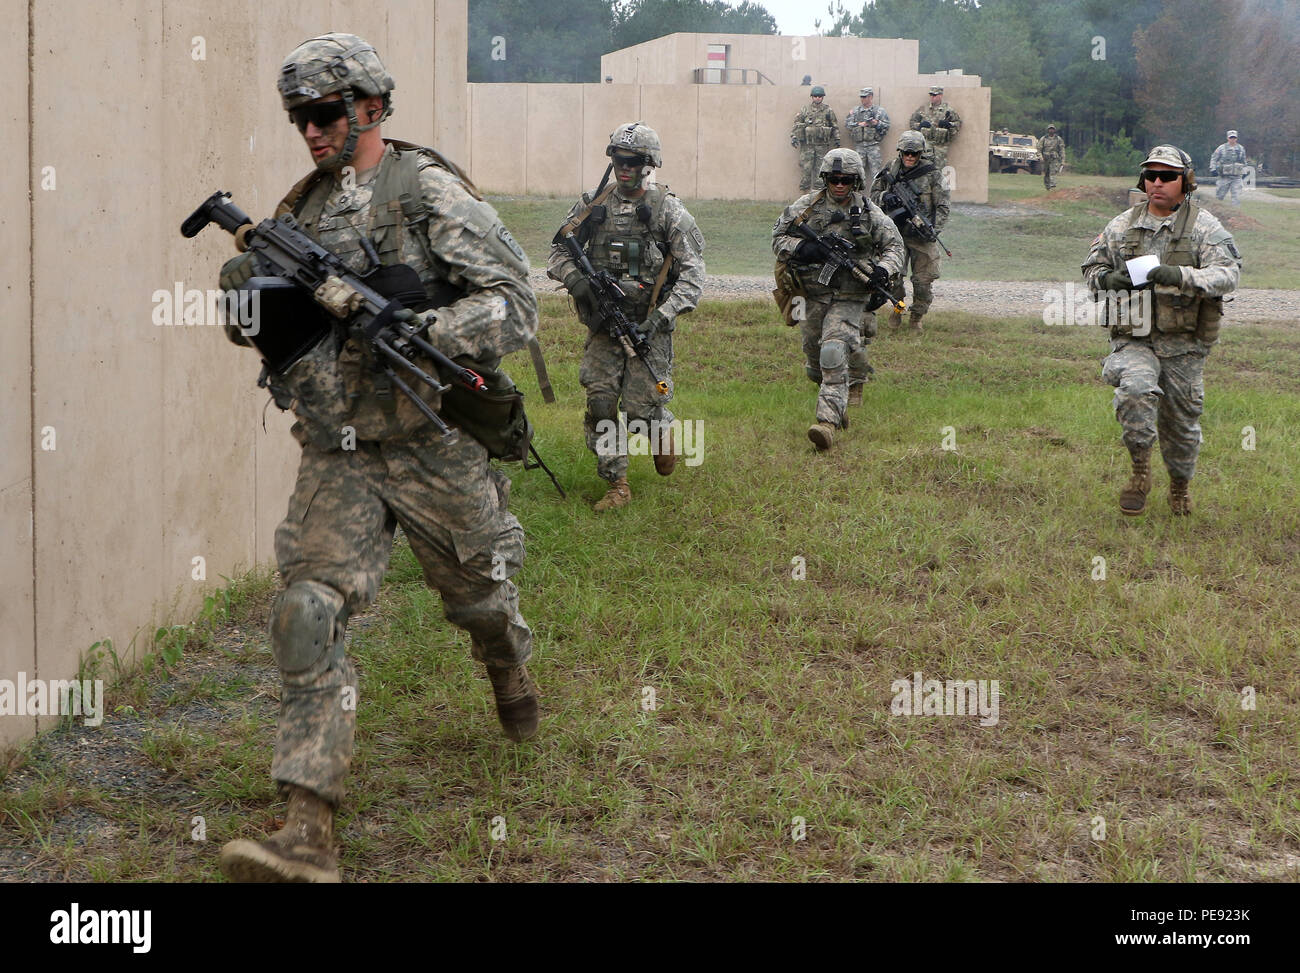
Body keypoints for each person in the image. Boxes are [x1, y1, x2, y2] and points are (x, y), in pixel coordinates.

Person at [214, 32, 540, 882]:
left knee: (479, 601)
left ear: (370, 106)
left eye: (324, 114)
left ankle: (505, 665)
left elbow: (515, 303)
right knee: (306, 610)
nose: (312, 133)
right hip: (340, 450)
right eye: (299, 119)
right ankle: (306, 827)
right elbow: (273, 326)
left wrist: (424, 326)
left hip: (434, 439)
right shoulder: (299, 216)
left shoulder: (425, 191)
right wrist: (255, 308)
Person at [547, 122, 705, 511]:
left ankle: (659, 428)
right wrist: (577, 283)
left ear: (649, 164)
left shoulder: (668, 209)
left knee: (639, 411)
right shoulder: (592, 205)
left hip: (647, 327)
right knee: (600, 403)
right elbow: (558, 251)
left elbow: (694, 276)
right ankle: (617, 483)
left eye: (633, 161)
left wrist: (661, 318)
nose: (624, 168)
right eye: (618, 159)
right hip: (603, 323)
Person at [1082, 145, 1241, 516]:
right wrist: (1109, 279)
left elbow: (1229, 274)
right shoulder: (1121, 225)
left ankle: (1180, 488)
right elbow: (1091, 270)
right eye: (1151, 176)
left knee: (1182, 426)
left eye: (1167, 176)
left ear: (1185, 182)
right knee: (1135, 390)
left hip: (1184, 345)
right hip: (1133, 338)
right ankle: (1140, 471)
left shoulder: (1204, 227)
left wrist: (1182, 276)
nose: (1157, 183)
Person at [773, 148, 904, 451]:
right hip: (812, 294)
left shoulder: (870, 213)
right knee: (814, 362)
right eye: (834, 179)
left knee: (832, 351)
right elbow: (778, 237)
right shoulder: (806, 208)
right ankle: (847, 384)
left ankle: (826, 424)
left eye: (846, 179)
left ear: (856, 181)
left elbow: (894, 246)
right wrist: (806, 249)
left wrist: (884, 270)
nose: (840, 184)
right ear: (825, 178)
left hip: (850, 294)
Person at [871, 130, 949, 334]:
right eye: (907, 152)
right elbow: (873, 196)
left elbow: (943, 207)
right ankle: (898, 308)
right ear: (900, 152)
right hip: (894, 234)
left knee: (923, 282)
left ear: (921, 153)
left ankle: (916, 317)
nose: (910, 157)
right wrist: (886, 197)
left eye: (914, 153)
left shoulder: (932, 174)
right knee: (893, 278)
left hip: (922, 236)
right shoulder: (890, 169)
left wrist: (934, 230)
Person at [791, 86, 841, 192]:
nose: (817, 98)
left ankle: (818, 196)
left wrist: (837, 138)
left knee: (821, 170)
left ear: (822, 97)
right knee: (806, 170)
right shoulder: (805, 109)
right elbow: (797, 124)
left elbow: (834, 125)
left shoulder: (828, 110)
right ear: (812, 97)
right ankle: (804, 196)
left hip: (822, 146)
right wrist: (794, 137)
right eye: (815, 96)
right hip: (807, 146)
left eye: (820, 96)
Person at [908, 85, 961, 172]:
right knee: (923, 171)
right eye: (931, 95)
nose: (932, 97)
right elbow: (912, 122)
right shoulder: (923, 109)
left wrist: (948, 124)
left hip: (940, 148)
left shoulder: (948, 110)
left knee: (938, 173)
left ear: (940, 95)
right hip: (925, 146)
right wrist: (920, 125)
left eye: (934, 95)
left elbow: (958, 124)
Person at [845, 86, 890, 181]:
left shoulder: (879, 111)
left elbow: (886, 125)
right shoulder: (855, 111)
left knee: (876, 174)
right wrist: (859, 124)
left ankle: (876, 194)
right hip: (859, 146)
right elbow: (847, 124)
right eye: (861, 97)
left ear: (870, 97)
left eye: (865, 97)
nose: (862, 99)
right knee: (856, 172)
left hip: (873, 146)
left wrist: (876, 123)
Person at [1209, 130, 1248, 206]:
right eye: (1231, 137)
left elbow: (1244, 161)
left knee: (1236, 198)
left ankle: (1236, 215)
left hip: (1237, 177)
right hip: (1224, 177)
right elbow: (1214, 158)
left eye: (1234, 137)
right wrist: (1212, 169)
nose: (1232, 139)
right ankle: (1216, 211)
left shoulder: (1241, 149)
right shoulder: (1221, 148)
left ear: (1236, 138)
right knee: (1219, 197)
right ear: (1227, 138)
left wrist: (1245, 171)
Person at [1040, 124, 1065, 191]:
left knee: (1053, 172)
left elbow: (1062, 150)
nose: (1051, 130)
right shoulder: (1043, 138)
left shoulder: (1058, 139)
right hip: (1045, 159)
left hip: (1054, 159)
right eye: (1050, 129)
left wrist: (1063, 160)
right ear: (1048, 130)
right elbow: (1039, 149)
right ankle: (1048, 187)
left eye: (1052, 129)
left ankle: (1053, 186)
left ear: (1054, 130)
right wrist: (1040, 157)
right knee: (1046, 173)